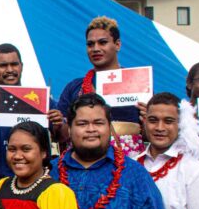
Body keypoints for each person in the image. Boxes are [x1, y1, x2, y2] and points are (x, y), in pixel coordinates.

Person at [0, 44, 67, 183]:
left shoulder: (41, 99)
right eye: (3, 65)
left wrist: (59, 124)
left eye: (14, 64)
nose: (10, 70)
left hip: (40, 180)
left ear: (21, 66)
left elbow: (63, 137)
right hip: (2, 180)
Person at [56, 16, 145, 158]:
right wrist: (57, 124)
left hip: (128, 161)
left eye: (102, 42)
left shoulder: (139, 83)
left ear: (117, 44)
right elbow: (60, 136)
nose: (95, 49)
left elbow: (152, 133)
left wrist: (148, 118)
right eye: (90, 44)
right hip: (83, 162)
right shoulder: (74, 88)